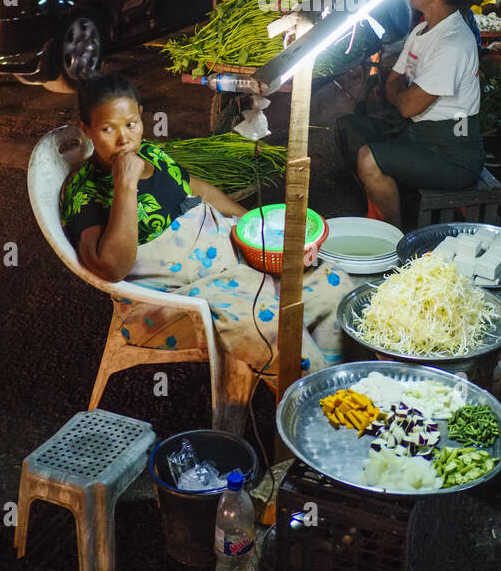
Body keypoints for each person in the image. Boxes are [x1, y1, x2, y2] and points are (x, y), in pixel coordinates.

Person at [61, 72, 351, 379]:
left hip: (232, 262)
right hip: (179, 303)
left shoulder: (151, 154)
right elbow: (111, 268)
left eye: (131, 124)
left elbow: (200, 191)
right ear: (86, 130)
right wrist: (125, 185)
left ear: (141, 116)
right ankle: (321, 404)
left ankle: (337, 381)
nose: (123, 138)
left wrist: (251, 225)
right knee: (276, 328)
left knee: (333, 284)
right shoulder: (84, 192)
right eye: (108, 129)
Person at [335, 0, 484, 226]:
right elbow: (392, 79)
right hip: (416, 134)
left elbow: (404, 105)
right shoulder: (422, 31)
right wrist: (399, 92)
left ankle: (395, 234)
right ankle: (385, 193)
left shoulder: (452, 43)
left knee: (368, 158)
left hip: (451, 153)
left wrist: (398, 94)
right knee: (348, 127)